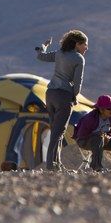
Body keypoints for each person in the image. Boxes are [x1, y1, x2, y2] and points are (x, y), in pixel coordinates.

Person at [35, 29, 88, 170]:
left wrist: (43, 46)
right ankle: (51, 165)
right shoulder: (78, 58)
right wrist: (74, 96)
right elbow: (78, 82)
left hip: (50, 94)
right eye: (84, 44)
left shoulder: (59, 53)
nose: (86, 48)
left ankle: (57, 164)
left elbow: (41, 56)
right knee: (58, 133)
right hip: (64, 96)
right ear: (77, 44)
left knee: (55, 130)